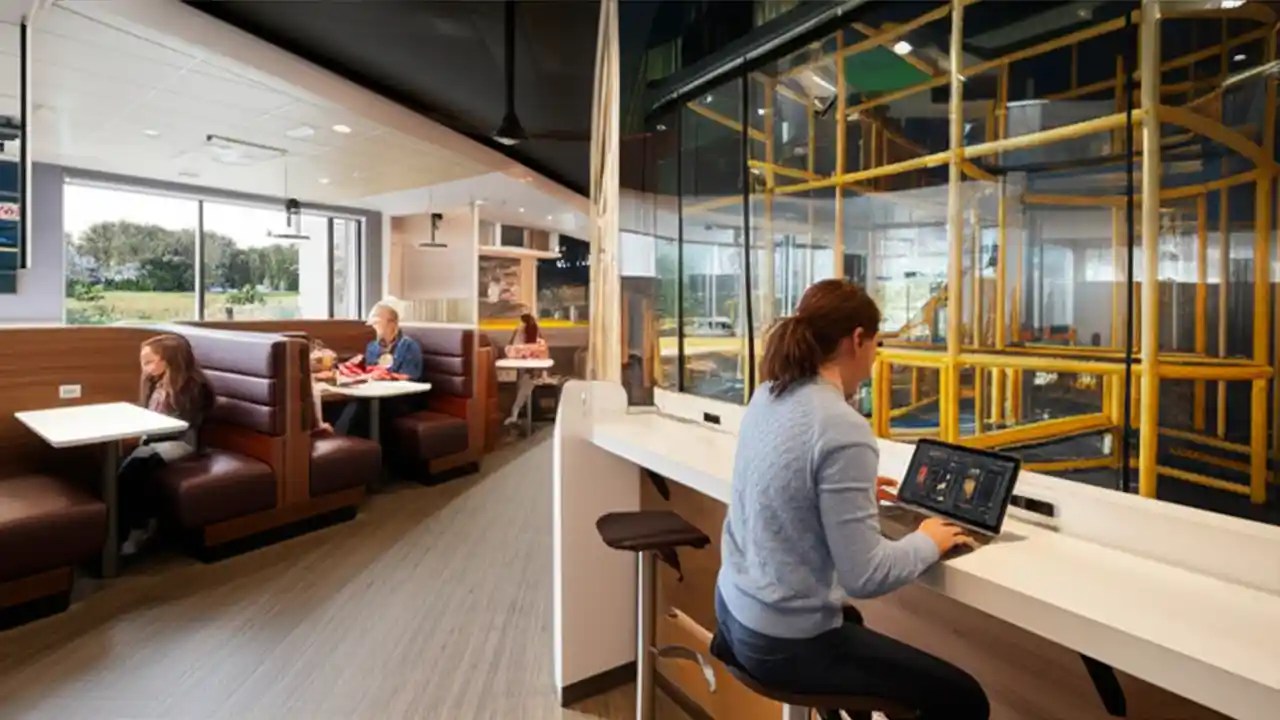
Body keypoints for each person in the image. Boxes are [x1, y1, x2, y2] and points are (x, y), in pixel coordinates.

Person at [714, 279, 989, 719]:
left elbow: (787, 484)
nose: (878, 357)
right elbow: (866, 575)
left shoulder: (768, 394)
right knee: (964, 698)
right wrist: (927, 540)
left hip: (733, 612)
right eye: (876, 343)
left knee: (851, 624)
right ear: (856, 340)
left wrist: (851, 490)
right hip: (781, 643)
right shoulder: (841, 425)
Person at [119, 334, 215, 555]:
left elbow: (183, 426)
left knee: (136, 465)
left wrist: (144, 436)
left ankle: (137, 529)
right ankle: (120, 530)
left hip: (182, 443)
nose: (145, 368)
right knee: (123, 463)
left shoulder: (193, 387)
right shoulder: (155, 382)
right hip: (154, 438)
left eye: (150, 361)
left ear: (171, 360)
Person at [334, 302, 424, 435]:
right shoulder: (372, 347)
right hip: (379, 397)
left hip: (403, 400)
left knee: (362, 406)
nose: (373, 327)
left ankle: (340, 440)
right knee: (343, 405)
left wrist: (384, 377)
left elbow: (411, 379)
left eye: (376, 322)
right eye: (371, 324)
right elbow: (370, 373)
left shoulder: (409, 346)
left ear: (392, 323)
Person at [504, 313, 546, 427]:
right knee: (521, 385)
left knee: (526, 384)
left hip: (532, 371)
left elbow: (542, 352)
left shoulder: (536, 337)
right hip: (520, 369)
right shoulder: (518, 333)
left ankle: (516, 414)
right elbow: (509, 350)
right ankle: (517, 414)